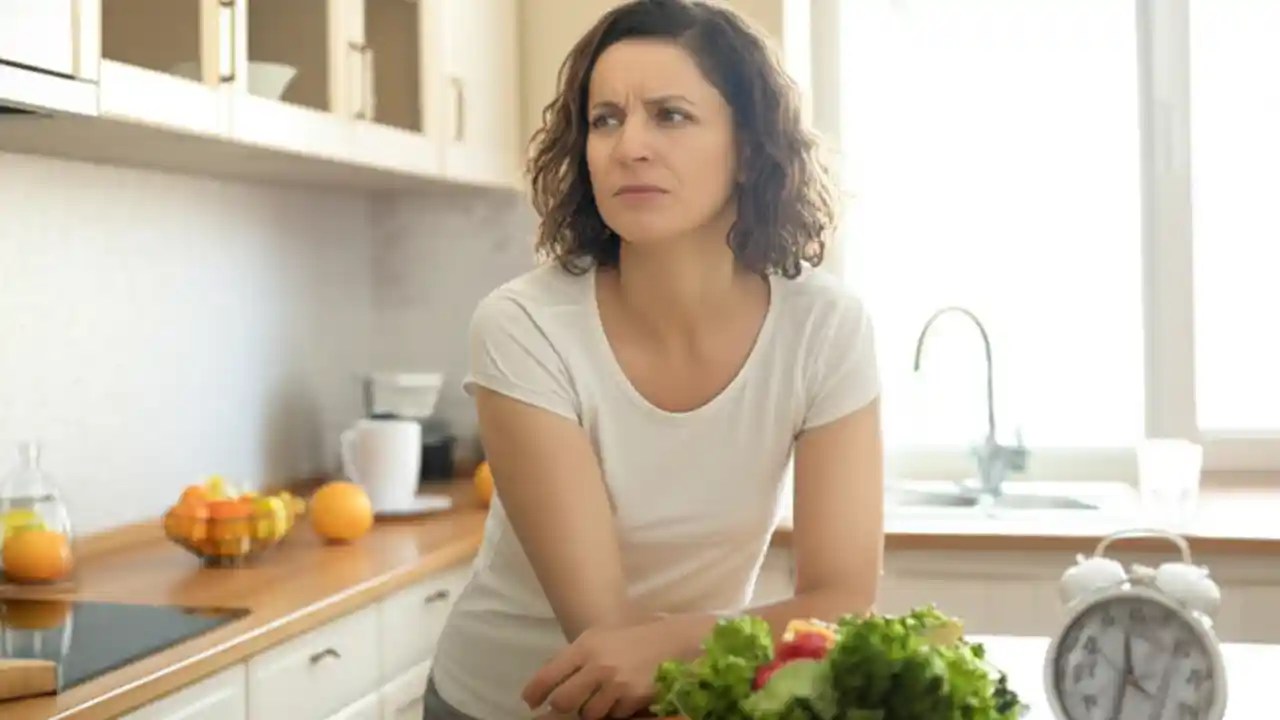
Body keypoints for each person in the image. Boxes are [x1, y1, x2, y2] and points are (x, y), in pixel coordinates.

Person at [424, 1, 884, 718]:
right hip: (501, 704)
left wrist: (680, 643)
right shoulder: (524, 326)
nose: (628, 145)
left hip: (689, 698)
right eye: (605, 119)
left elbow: (843, 597)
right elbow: (604, 645)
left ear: (749, 148)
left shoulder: (825, 327)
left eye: (670, 115)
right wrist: (725, 640)